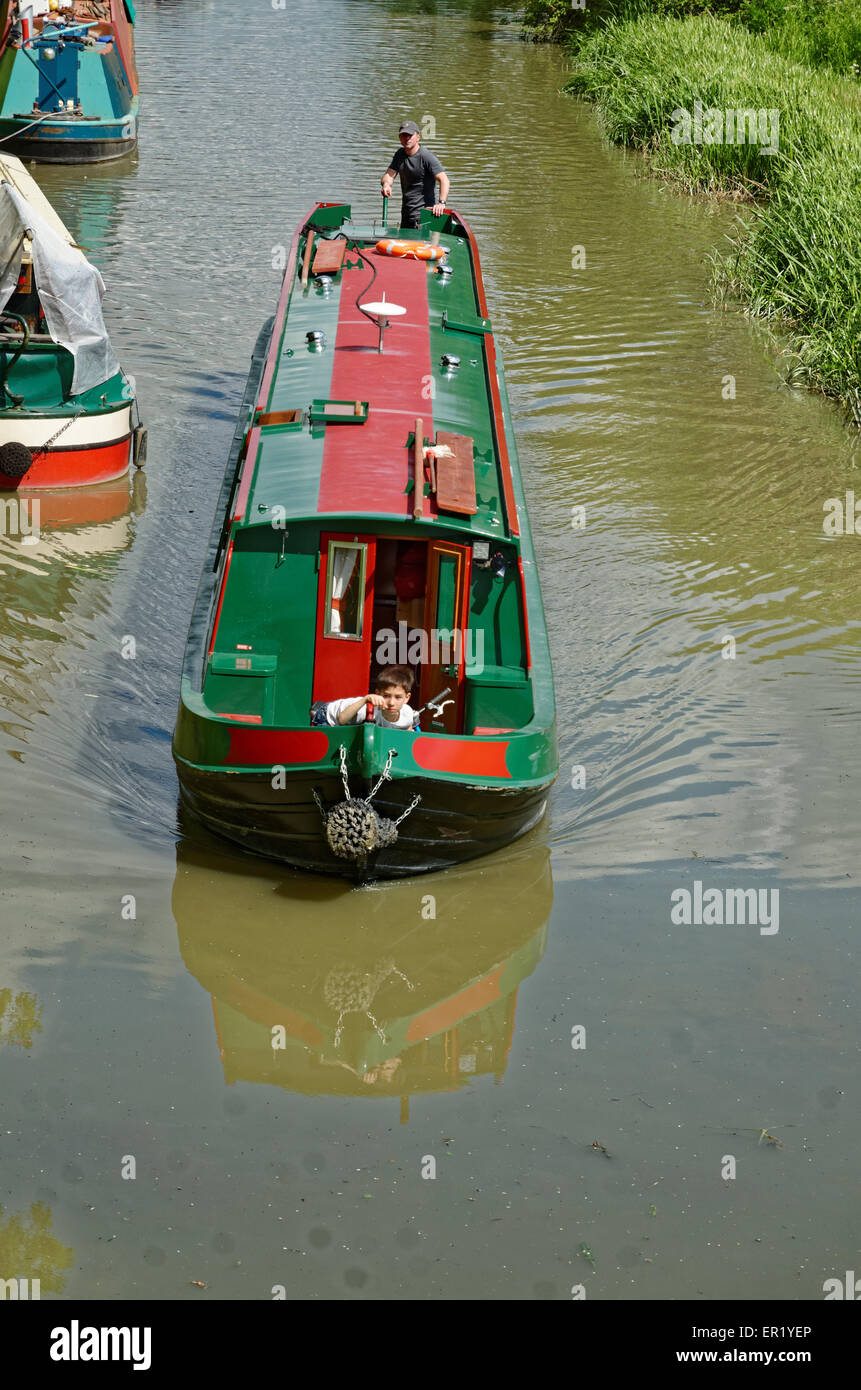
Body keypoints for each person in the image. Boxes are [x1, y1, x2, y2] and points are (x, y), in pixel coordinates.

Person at [381, 122, 450, 231]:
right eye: (403, 135)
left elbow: (444, 179)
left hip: (425, 216)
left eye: (410, 135)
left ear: (418, 137)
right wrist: (386, 185)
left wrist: (441, 203)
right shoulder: (400, 154)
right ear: (399, 138)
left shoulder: (426, 156)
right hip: (407, 213)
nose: (407, 138)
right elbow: (389, 175)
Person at [325, 665, 418, 730]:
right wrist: (365, 699)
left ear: (407, 697)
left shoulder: (407, 713)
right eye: (386, 696)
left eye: (398, 697)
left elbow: (407, 729)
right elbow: (341, 720)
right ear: (377, 693)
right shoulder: (367, 709)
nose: (391, 703)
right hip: (330, 718)